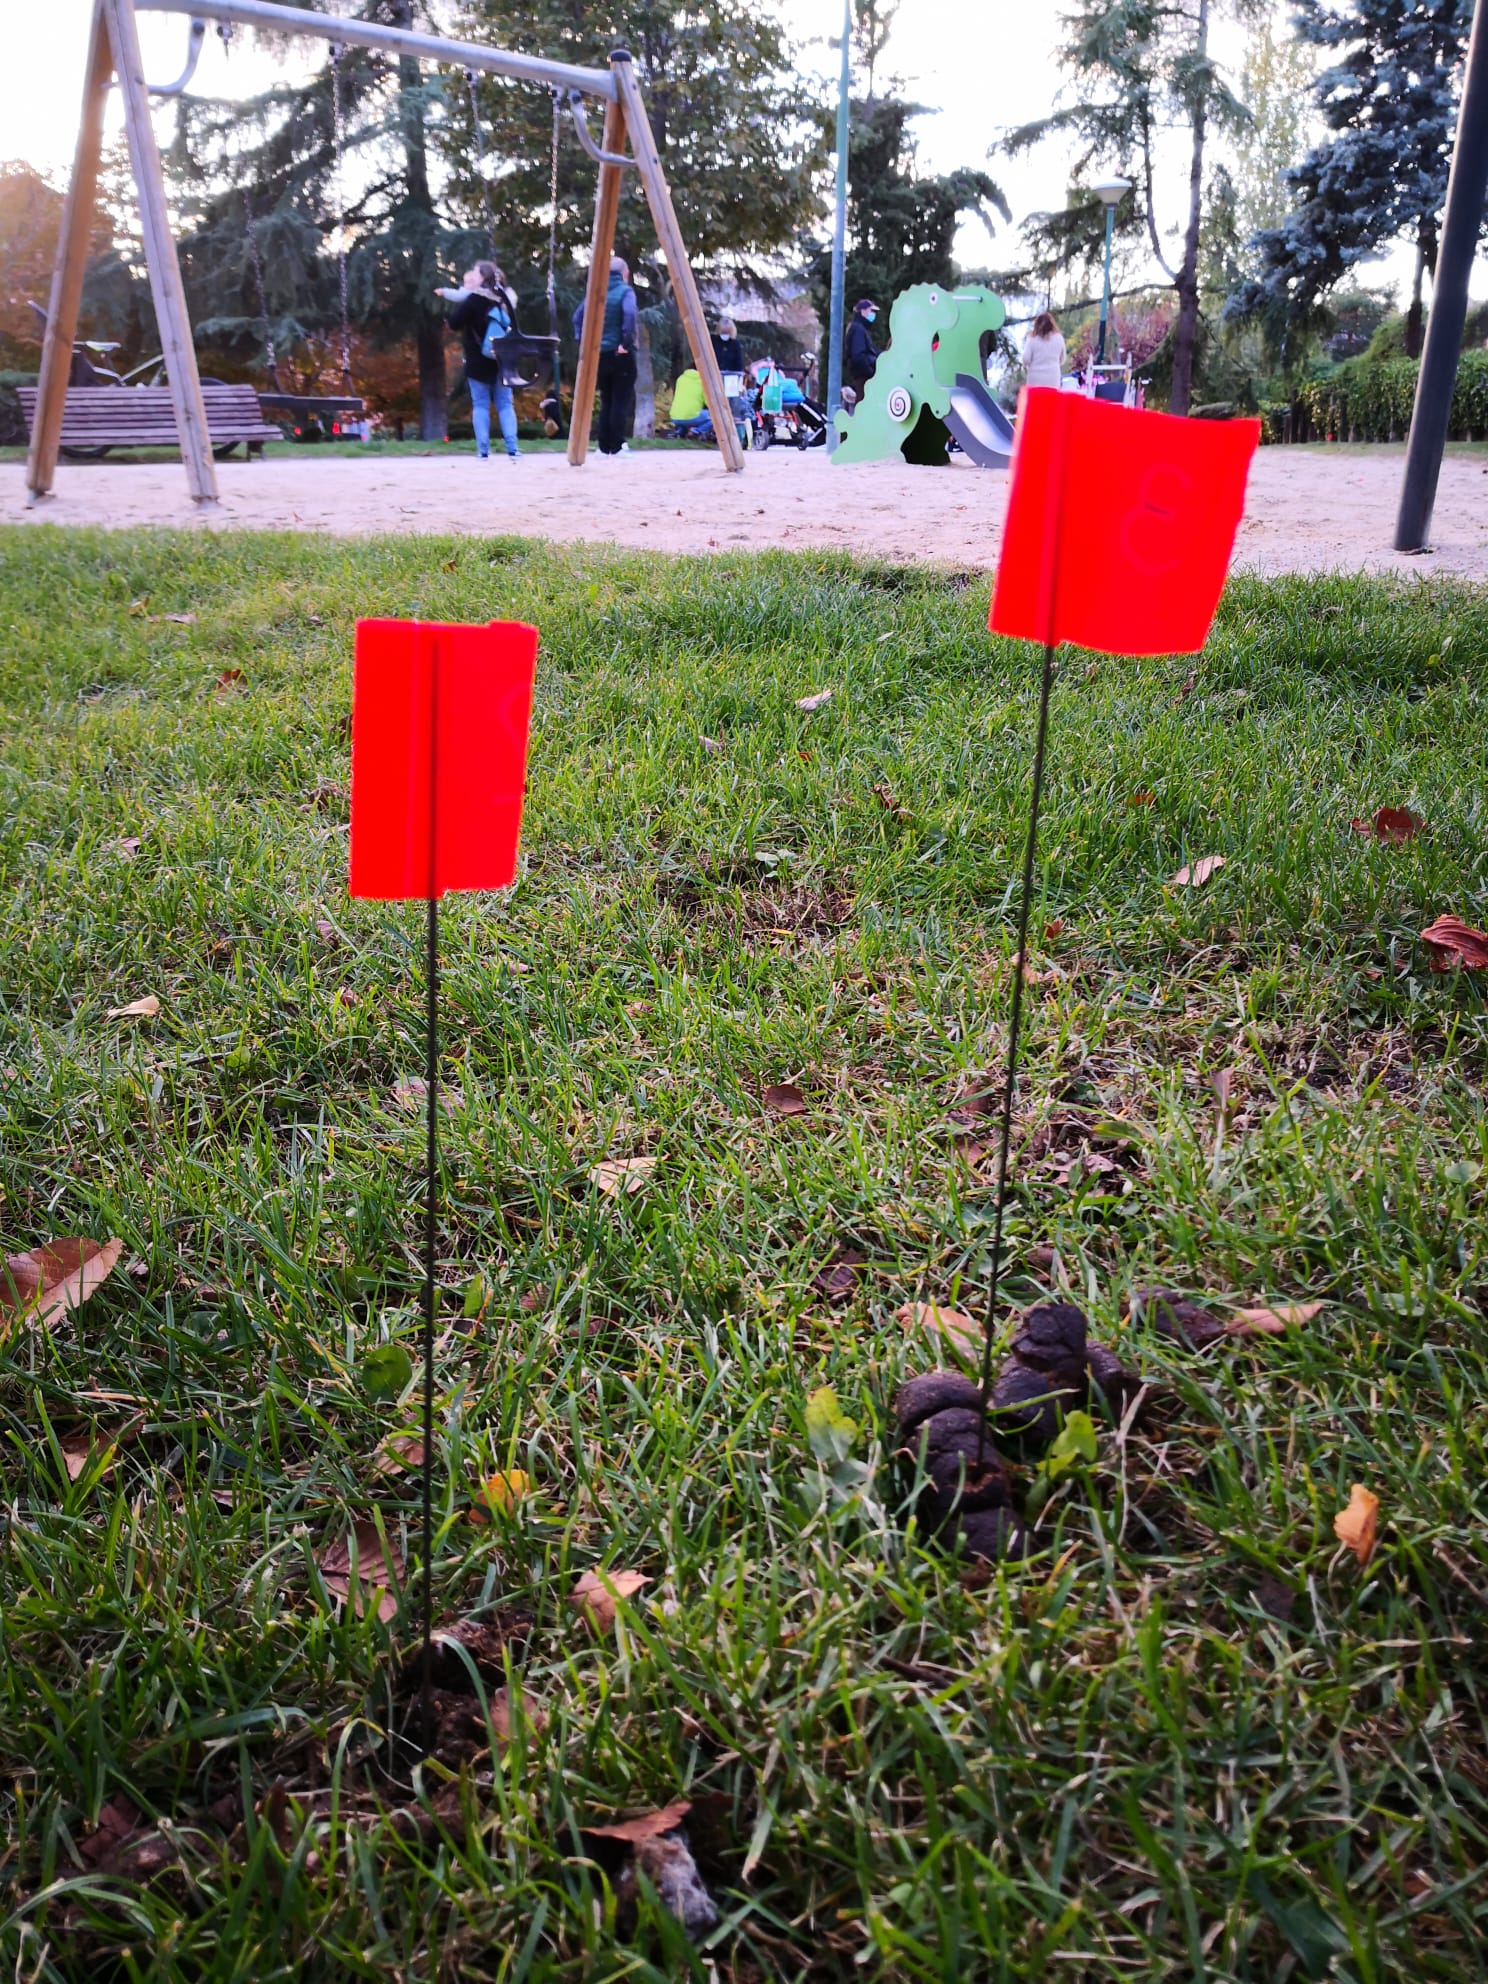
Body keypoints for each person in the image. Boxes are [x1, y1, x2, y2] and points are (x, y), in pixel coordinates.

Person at [440, 262, 520, 460]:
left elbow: (454, 322)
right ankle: (513, 449)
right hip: (502, 359)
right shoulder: (506, 298)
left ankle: (483, 450)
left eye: (476, 273)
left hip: (477, 360)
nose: (472, 276)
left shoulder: (474, 299)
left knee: (481, 405)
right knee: (505, 404)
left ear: (483, 277)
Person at [572, 254, 639, 457]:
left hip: (599, 354)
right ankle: (617, 445)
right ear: (625, 273)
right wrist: (625, 343)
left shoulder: (596, 292)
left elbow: (577, 317)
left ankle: (603, 446)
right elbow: (630, 316)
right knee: (620, 400)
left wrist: (584, 342)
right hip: (620, 353)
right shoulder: (625, 292)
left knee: (607, 399)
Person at [845, 297, 881, 397]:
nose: (873, 314)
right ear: (863, 311)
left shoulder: (859, 328)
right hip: (863, 379)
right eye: (871, 311)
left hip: (863, 378)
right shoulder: (858, 329)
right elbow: (858, 356)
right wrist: (870, 372)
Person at [1022, 310, 1066, 391]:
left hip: (1035, 380)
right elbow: (1062, 360)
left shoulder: (1032, 339)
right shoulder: (1059, 338)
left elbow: (1026, 359)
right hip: (1053, 379)